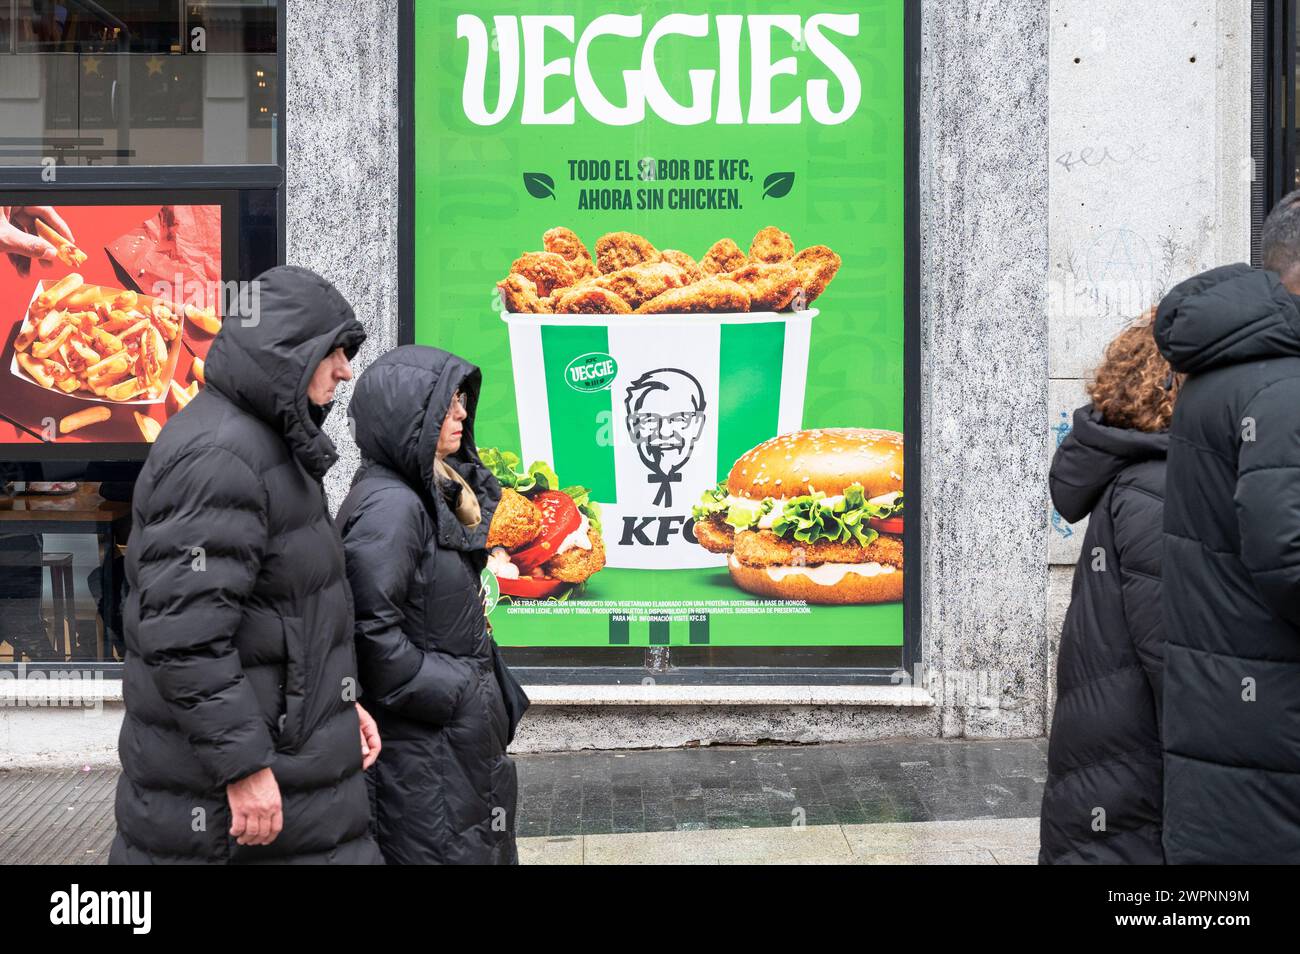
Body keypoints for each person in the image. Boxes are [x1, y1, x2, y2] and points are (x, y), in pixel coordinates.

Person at [110, 266, 383, 865]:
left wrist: (338, 703)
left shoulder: (267, 446)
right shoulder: (219, 456)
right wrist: (244, 769)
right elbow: (184, 637)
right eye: (334, 351)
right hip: (229, 812)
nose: (345, 369)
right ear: (288, 353)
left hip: (291, 776)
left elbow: (285, 612)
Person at [1155, 190, 1300, 864]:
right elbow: (1286, 554)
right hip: (1273, 721)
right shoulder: (1282, 385)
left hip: (1229, 711)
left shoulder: (1223, 374)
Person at [338, 345, 525, 865]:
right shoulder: (392, 507)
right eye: (448, 403)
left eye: (463, 399)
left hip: (448, 750)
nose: (463, 413)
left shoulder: (433, 492)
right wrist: (456, 690)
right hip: (421, 756)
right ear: (407, 416)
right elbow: (366, 629)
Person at [1039, 314, 1180, 864]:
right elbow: (1175, 660)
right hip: (1136, 797)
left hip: (1115, 777)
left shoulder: (1141, 474)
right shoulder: (1161, 487)